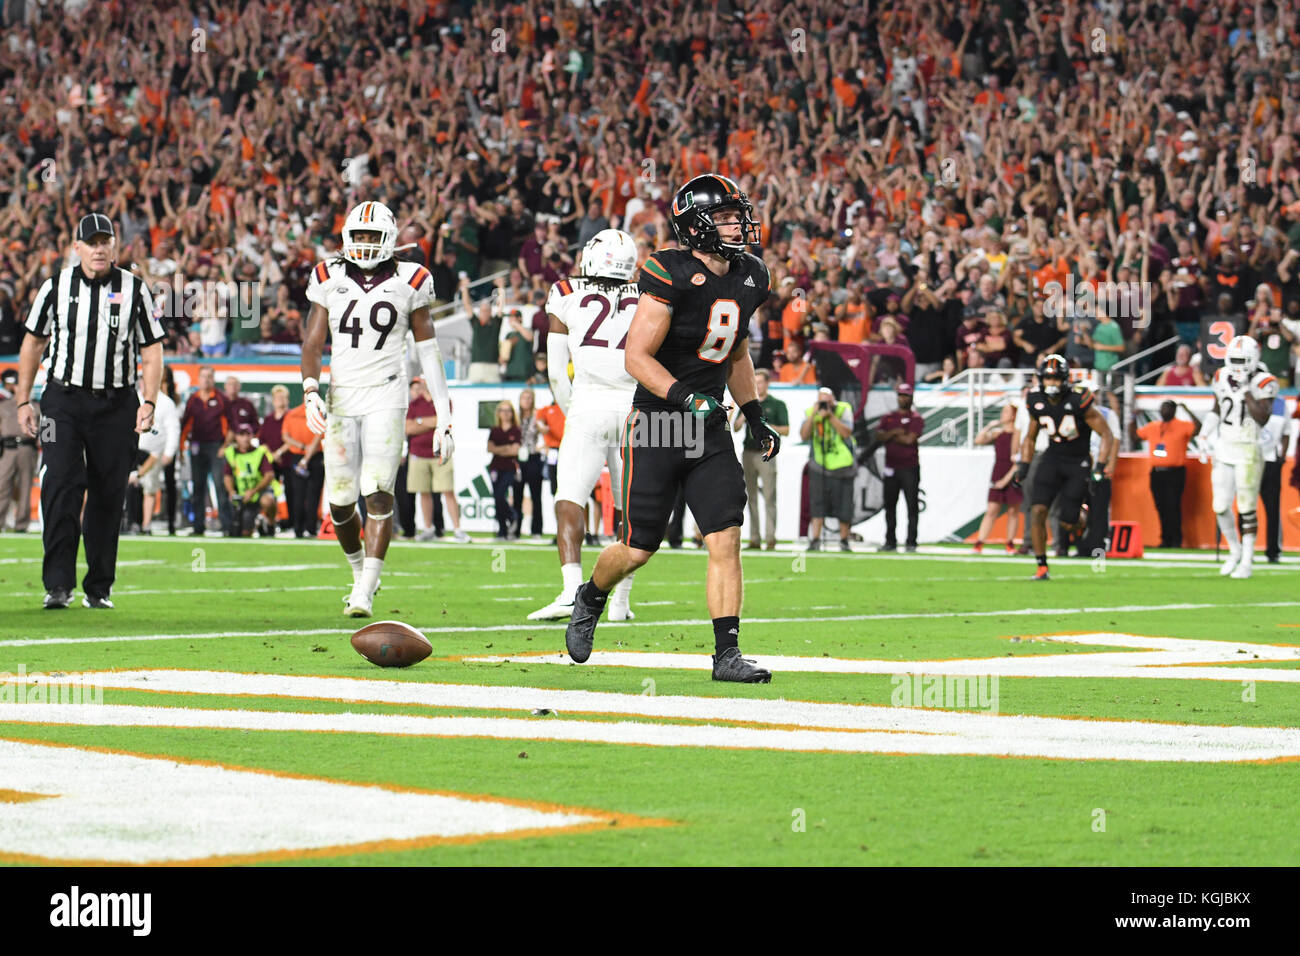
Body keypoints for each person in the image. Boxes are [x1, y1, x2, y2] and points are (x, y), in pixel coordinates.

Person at [566, 173, 782, 683]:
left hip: (708, 428)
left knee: (724, 537)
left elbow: (737, 352)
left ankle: (726, 654)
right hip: (660, 423)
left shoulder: (751, 274)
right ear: (696, 224)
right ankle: (591, 596)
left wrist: (753, 414)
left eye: (737, 215)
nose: (738, 225)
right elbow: (636, 357)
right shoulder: (669, 271)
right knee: (639, 547)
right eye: (726, 217)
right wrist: (689, 398)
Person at [301, 200, 454, 616]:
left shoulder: (412, 278)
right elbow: (314, 342)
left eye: (373, 236)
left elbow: (428, 350)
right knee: (339, 500)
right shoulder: (328, 276)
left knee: (378, 488)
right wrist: (310, 389)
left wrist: (444, 414)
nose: (366, 244)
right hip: (341, 396)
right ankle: (358, 573)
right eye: (359, 235)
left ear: (389, 239)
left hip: (387, 393)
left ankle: (367, 587)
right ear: (347, 238)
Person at [13, 212, 164, 608]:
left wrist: (149, 400)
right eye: (91, 241)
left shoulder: (135, 289)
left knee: (109, 493)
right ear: (76, 247)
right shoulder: (55, 287)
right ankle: (58, 585)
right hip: (61, 400)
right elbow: (33, 342)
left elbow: (151, 349)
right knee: (60, 483)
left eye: (105, 241)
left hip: (117, 403)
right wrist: (23, 399)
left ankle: (98, 587)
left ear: (115, 246)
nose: (99, 248)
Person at [530, 229, 640, 621]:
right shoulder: (647, 294)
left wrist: (571, 409)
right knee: (631, 507)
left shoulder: (564, 291)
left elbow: (557, 372)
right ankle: (621, 601)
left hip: (588, 403)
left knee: (570, 496)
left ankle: (569, 590)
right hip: (635, 407)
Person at [1016, 354, 1115, 581]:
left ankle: (1081, 516)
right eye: (1048, 379)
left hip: (1077, 461)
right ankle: (1042, 566)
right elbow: (1030, 437)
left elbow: (1106, 434)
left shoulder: (1078, 399)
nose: (1052, 384)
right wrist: (1024, 464)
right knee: (1038, 510)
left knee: (1067, 522)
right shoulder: (1035, 400)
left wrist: (1099, 465)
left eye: (1056, 379)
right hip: (1052, 458)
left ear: (1065, 380)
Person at [1203, 336, 1278, 578]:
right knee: (1220, 506)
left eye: (1242, 360)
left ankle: (1247, 559)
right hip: (1225, 444)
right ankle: (1234, 550)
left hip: (1248, 446)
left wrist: (1246, 390)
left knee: (1246, 506)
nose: (1237, 366)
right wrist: (1204, 435)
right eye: (1234, 360)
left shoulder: (1264, 381)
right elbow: (1217, 407)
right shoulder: (1220, 376)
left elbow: (1263, 417)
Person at [405, 376, 469, 543]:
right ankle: (428, 528)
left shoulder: (443, 400)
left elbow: (441, 421)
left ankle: (458, 529)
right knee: (423, 492)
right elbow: (408, 428)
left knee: (447, 491)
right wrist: (427, 423)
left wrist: (419, 422)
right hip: (418, 454)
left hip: (440, 452)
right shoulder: (414, 404)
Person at [1131, 400, 1201, 548]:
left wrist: (1188, 410)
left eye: (1168, 408)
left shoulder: (1182, 425)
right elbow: (1135, 436)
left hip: (1175, 472)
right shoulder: (1153, 426)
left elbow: (1198, 429)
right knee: (1160, 506)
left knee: (1173, 505)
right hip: (1157, 472)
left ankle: (1176, 539)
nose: (1165, 411)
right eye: (1163, 408)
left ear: (1174, 411)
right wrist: (1133, 418)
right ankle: (1165, 538)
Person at [733, 368, 789, 550]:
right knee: (751, 497)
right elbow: (736, 427)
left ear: (767, 384)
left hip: (766, 453)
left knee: (769, 496)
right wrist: (742, 415)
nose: (757, 385)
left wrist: (764, 425)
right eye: (755, 381)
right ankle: (754, 537)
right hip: (748, 452)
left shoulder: (777, 404)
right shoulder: (748, 403)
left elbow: (786, 429)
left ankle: (770, 537)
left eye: (761, 382)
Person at [802, 385, 856, 551]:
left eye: (827, 401)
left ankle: (844, 540)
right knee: (817, 503)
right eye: (821, 401)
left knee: (844, 504)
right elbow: (804, 435)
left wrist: (830, 416)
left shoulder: (843, 409)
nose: (824, 404)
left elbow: (846, 432)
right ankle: (816, 539)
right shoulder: (811, 411)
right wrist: (813, 415)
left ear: (833, 400)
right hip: (820, 464)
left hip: (843, 465)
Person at [180, 365, 232, 535]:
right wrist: (181, 450)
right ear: (199, 378)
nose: (207, 379)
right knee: (198, 487)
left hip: (216, 447)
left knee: (219, 486)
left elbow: (231, 426)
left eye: (210, 376)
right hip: (197, 447)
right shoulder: (193, 400)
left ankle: (227, 526)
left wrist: (224, 446)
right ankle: (198, 526)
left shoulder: (222, 399)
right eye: (203, 376)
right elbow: (185, 426)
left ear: (214, 378)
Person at [876, 382, 925, 552]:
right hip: (891, 466)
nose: (902, 398)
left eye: (905, 395)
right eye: (900, 395)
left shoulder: (916, 418)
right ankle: (890, 541)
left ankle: (911, 541)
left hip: (909, 467)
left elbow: (909, 440)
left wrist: (892, 434)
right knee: (890, 506)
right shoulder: (889, 417)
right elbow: (880, 436)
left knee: (912, 505)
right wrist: (896, 432)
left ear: (911, 398)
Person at [130, 372, 179, 535]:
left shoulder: (165, 402)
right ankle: (134, 522)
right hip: (133, 450)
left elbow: (173, 429)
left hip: (154, 452)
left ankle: (146, 524)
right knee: (132, 485)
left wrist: (169, 452)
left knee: (149, 486)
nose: (143, 384)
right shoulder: (134, 398)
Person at [972, 401, 1021, 553]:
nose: (1003, 415)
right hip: (999, 470)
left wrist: (1006, 480)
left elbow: (1018, 460)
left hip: (1012, 473)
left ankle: (1010, 542)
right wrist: (990, 426)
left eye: (1006, 412)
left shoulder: (1018, 435)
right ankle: (980, 541)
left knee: (1013, 510)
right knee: (992, 509)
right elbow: (978, 440)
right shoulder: (998, 433)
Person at [0, 367, 39, 532]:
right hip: (7, 449)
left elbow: (49, 431)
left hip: (27, 448)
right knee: (2, 486)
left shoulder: (37, 406)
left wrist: (48, 447)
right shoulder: (3, 406)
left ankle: (21, 525)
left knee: (25, 487)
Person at [222, 423, 277, 537]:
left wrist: (253, 491)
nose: (245, 438)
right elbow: (227, 476)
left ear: (252, 436)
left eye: (248, 435)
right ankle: (258, 523)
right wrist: (232, 492)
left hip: (258, 492)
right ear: (236, 437)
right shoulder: (231, 453)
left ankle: (271, 524)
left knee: (268, 501)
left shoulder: (260, 452)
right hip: (242, 496)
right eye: (241, 435)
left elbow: (269, 475)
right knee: (244, 533)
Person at [280, 399, 323, 537]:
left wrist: (304, 452)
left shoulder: (292, 414)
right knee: (309, 494)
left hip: (305, 456)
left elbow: (286, 437)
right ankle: (308, 528)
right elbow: (319, 434)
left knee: (304, 494)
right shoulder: (314, 414)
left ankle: (300, 528)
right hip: (310, 456)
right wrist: (306, 451)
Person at [1259, 394, 1290, 563]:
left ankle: (1273, 550)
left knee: (1272, 508)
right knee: (1245, 507)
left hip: (1271, 460)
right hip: (1249, 459)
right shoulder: (1246, 398)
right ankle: (1243, 548)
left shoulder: (1279, 403)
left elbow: (1286, 433)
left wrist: (1282, 456)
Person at [257, 384, 292, 533]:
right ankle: (271, 520)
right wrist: (271, 455)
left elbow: (293, 438)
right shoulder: (269, 419)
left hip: (288, 460)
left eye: (282, 397)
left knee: (291, 493)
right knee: (270, 493)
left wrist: (279, 453)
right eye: (276, 397)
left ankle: (290, 522)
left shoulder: (291, 417)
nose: (279, 400)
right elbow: (262, 440)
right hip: (271, 464)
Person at [487, 399, 521, 540]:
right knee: (497, 497)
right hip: (495, 467)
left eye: (508, 411)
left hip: (510, 467)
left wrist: (499, 449)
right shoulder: (494, 430)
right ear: (498, 413)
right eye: (503, 410)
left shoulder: (516, 430)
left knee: (501, 494)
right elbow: (490, 448)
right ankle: (502, 529)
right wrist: (506, 448)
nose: (505, 414)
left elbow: (515, 451)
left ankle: (512, 515)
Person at [515, 387, 546, 536]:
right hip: (518, 458)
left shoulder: (537, 415)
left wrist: (540, 447)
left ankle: (537, 530)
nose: (526, 401)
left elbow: (545, 432)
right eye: (524, 398)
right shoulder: (515, 416)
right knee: (516, 495)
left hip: (533, 457)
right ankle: (515, 528)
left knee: (536, 495)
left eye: (529, 398)